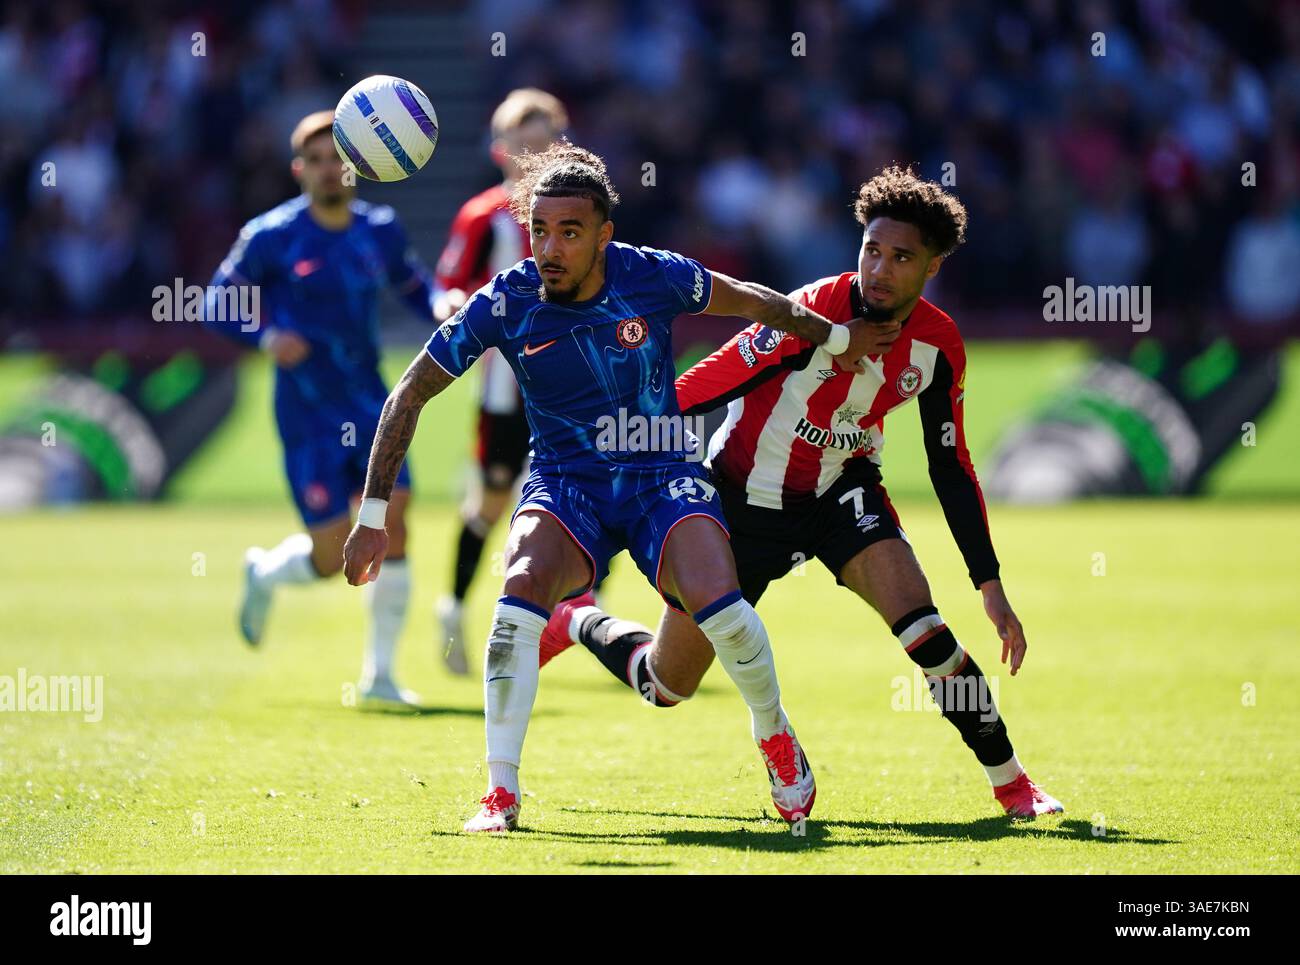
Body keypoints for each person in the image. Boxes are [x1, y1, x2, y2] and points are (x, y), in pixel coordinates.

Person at [342, 142, 885, 832]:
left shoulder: (652, 275)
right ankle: (501, 793)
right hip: (567, 480)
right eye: (540, 230)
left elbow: (753, 301)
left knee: (719, 603)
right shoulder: (506, 300)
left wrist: (835, 339)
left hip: (663, 472)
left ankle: (774, 733)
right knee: (522, 586)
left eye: (569, 232)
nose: (550, 247)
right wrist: (375, 512)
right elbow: (410, 391)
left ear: (604, 233)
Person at [539, 165, 1064, 819]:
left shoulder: (939, 345)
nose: (880, 268)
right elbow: (701, 386)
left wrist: (988, 580)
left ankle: (1014, 784)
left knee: (924, 625)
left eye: (901, 258)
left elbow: (950, 464)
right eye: (872, 249)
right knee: (665, 687)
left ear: (931, 268)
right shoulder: (810, 310)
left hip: (839, 496)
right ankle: (578, 618)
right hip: (734, 502)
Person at [204, 110, 436, 706]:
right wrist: (264, 337)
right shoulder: (271, 236)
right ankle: (266, 571)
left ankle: (380, 678)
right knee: (335, 556)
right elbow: (215, 303)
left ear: (358, 165)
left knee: (395, 518)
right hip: (306, 410)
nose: (330, 169)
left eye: (339, 158)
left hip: (369, 400)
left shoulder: (379, 228)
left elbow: (412, 284)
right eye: (317, 159)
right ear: (298, 169)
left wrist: (444, 304)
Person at [431, 88, 568, 675]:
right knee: (489, 502)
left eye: (544, 143)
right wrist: (454, 306)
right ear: (500, 150)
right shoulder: (484, 217)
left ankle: (579, 618)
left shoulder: (578, 214)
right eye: (523, 144)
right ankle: (453, 608)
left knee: (585, 492)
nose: (532, 155)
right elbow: (447, 284)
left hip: (574, 386)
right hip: (507, 388)